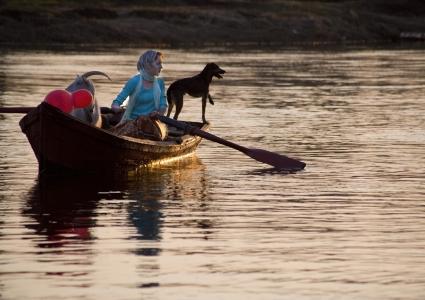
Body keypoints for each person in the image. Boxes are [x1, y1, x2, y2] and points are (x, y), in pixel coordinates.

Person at [110, 50, 168, 140]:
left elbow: (163, 104)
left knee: (146, 121)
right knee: (141, 120)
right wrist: (116, 108)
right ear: (148, 65)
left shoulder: (160, 83)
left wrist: (159, 113)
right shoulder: (134, 81)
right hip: (133, 122)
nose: (161, 67)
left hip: (153, 123)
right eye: (158, 63)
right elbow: (116, 102)